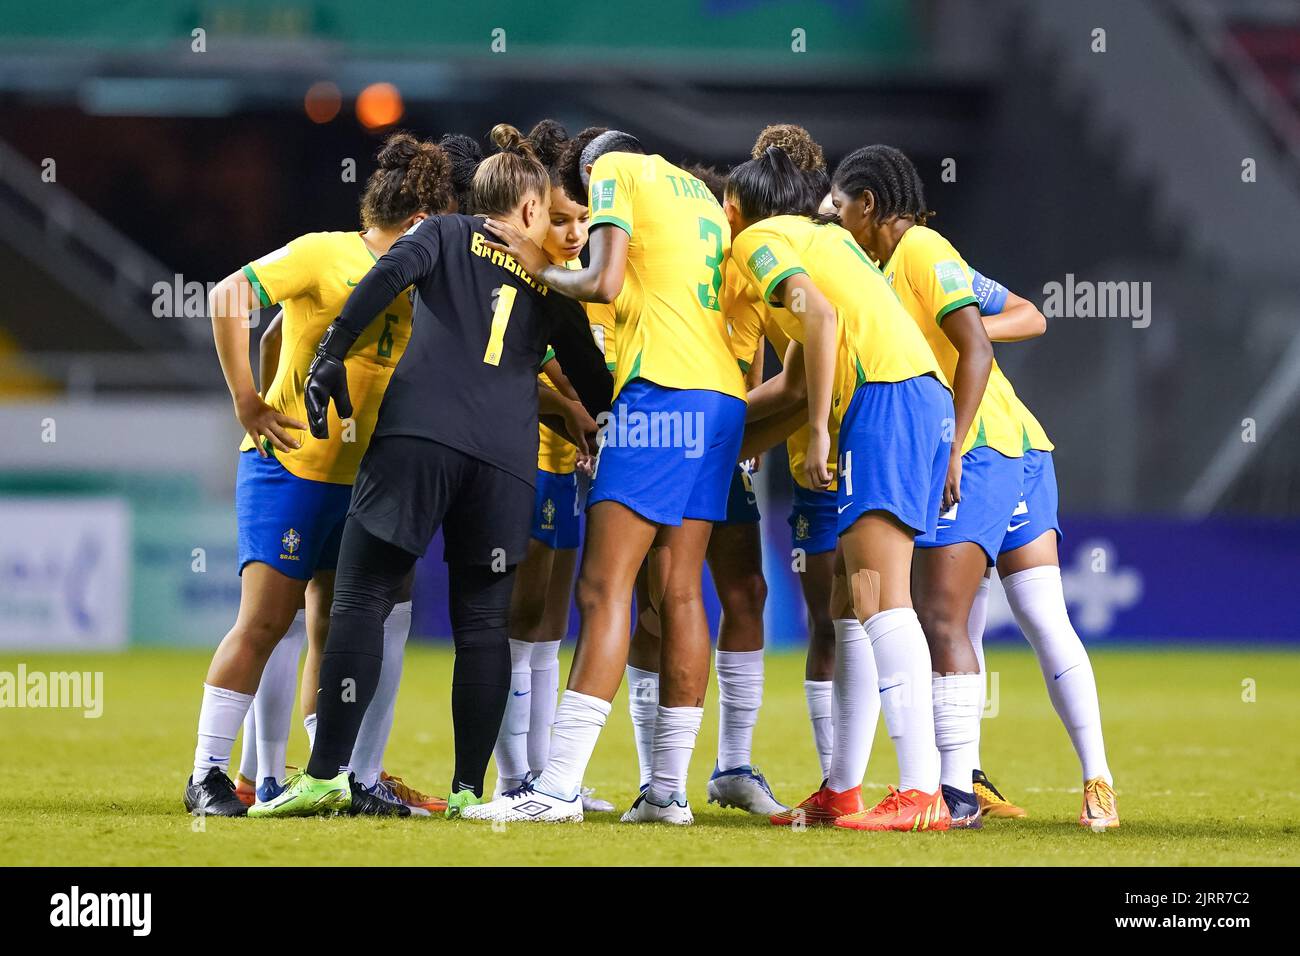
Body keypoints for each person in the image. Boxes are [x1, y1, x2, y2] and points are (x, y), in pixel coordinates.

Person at [249, 124, 611, 819]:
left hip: (419, 436)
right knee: (482, 621)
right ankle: (473, 791)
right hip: (506, 461)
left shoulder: (444, 235)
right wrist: (599, 417)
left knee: (361, 597)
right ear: (531, 209)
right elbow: (595, 382)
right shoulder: (550, 281)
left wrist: (332, 352)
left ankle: (326, 774)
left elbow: (387, 275)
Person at [463, 128, 747, 825]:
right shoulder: (703, 202)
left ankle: (556, 787)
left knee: (603, 588)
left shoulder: (616, 168)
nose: (588, 213)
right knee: (679, 593)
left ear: (590, 168)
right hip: (721, 400)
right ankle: (667, 793)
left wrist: (533, 266)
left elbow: (604, 279)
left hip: (661, 392)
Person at [831, 144, 1117, 829]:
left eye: (840, 207)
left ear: (869, 205)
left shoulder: (920, 249)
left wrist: (953, 359)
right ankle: (1092, 782)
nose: (834, 220)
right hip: (1023, 445)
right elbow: (1026, 312)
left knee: (939, 616)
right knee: (1033, 617)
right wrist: (952, 336)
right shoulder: (900, 265)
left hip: (980, 445)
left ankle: (954, 791)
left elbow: (1004, 331)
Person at [184, 133, 452, 817]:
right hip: (293, 469)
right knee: (264, 622)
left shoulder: (422, 276)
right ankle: (209, 773)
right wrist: (249, 398)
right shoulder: (322, 252)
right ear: (421, 220)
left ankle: (319, 774)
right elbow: (227, 296)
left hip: (364, 481)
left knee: (336, 630)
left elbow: (280, 333)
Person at [729, 147, 956, 832]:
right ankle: (844, 788)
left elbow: (820, 320)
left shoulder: (761, 242)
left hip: (884, 404)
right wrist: (712, 443)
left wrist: (823, 439)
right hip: (908, 399)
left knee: (879, 597)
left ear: (738, 211)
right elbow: (798, 385)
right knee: (849, 602)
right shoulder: (825, 243)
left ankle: (921, 792)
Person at [489, 119, 614, 814]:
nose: (573, 234)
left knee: (549, 623)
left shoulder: (578, 283)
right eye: (561, 220)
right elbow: (521, 369)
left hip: (568, 466)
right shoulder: (528, 283)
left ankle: (541, 774)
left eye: (583, 221)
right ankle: (517, 779)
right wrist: (575, 403)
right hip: (526, 460)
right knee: (522, 616)